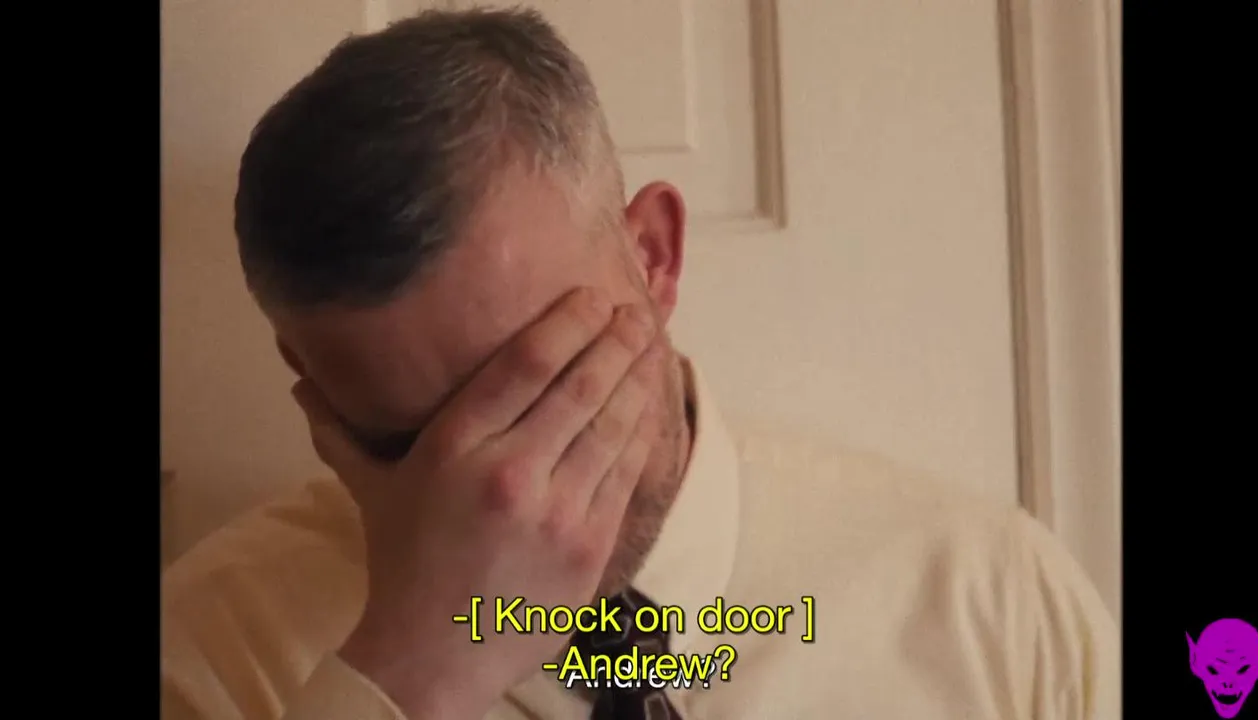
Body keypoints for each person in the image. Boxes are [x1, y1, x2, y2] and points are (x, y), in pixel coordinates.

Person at [161, 7, 1120, 720]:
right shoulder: (205, 650)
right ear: (315, 386)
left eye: (546, 390)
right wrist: (416, 673)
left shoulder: (994, 607)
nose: (506, 493)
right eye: (406, 443)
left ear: (652, 255)